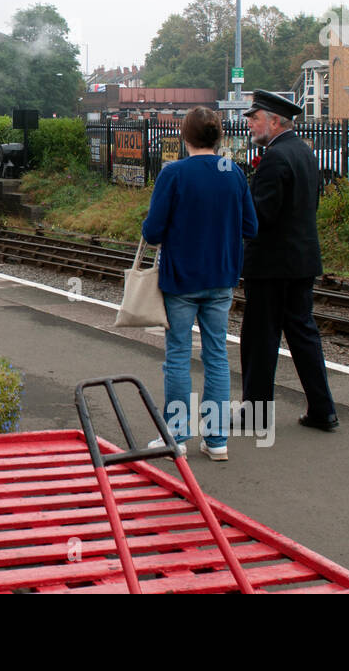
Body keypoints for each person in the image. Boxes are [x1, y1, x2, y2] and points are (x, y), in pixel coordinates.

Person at [142, 107, 258, 460]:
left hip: (181, 280)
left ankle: (175, 437)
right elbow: (250, 228)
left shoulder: (174, 173)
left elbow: (152, 231)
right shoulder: (233, 173)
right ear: (218, 136)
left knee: (178, 356)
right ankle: (217, 439)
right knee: (217, 358)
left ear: (185, 136)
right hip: (221, 278)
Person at [240, 90, 339, 432]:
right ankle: (323, 409)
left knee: (260, 337)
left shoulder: (275, 158)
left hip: (271, 265)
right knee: (303, 334)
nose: (250, 123)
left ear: (275, 120)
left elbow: (259, 216)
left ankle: (255, 416)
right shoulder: (304, 153)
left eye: (256, 117)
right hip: (302, 260)